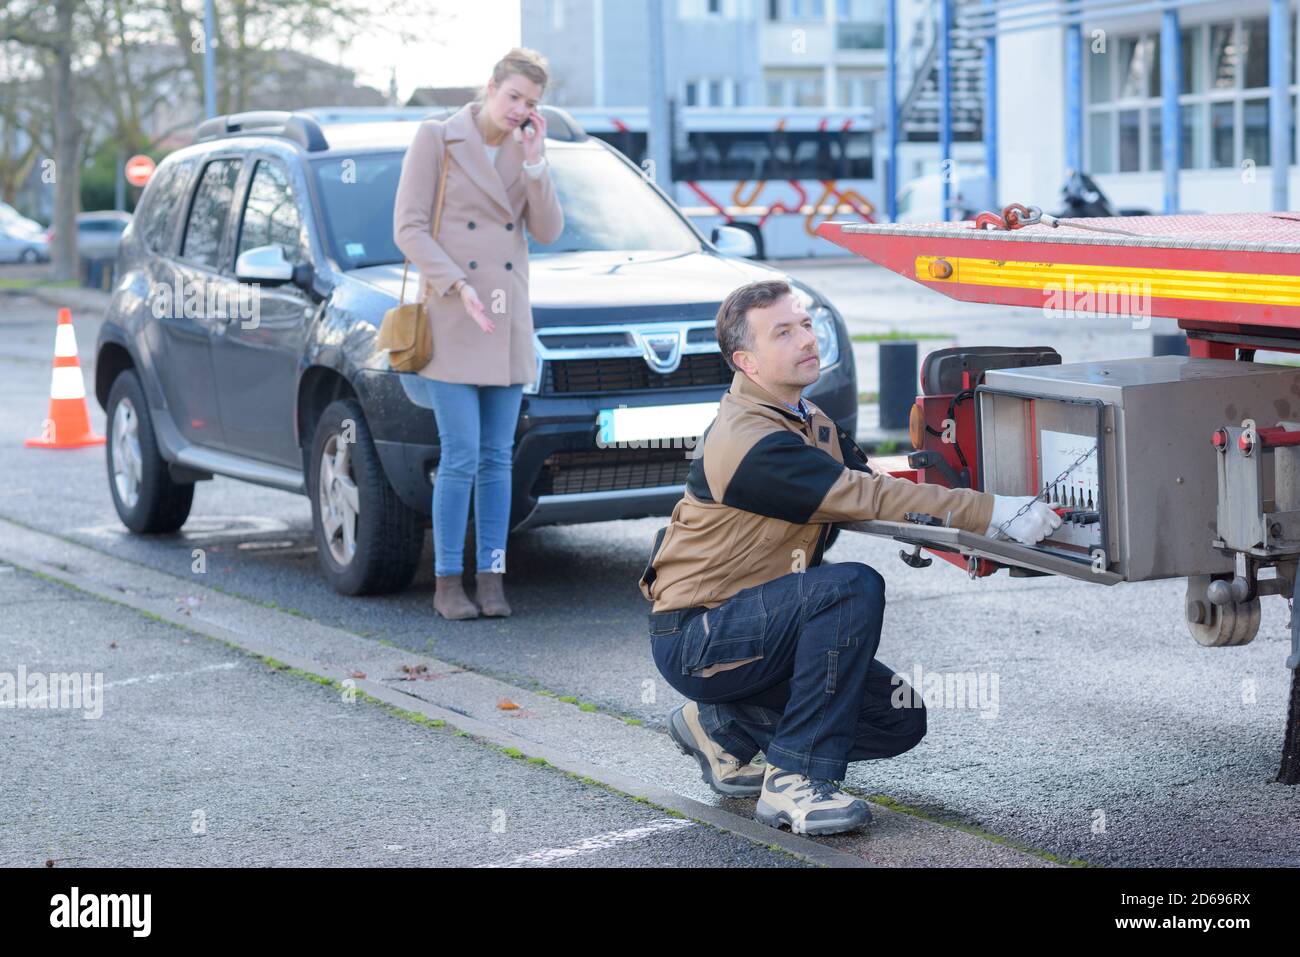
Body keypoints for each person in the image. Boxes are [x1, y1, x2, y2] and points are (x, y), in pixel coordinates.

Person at [639, 278, 1060, 835]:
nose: (806, 339)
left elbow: (868, 483)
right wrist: (991, 511)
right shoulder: (752, 442)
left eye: (806, 324)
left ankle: (722, 728)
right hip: (701, 636)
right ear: (747, 361)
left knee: (897, 717)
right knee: (849, 587)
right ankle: (793, 781)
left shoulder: (804, 418)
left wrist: (940, 519)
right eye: (782, 332)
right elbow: (863, 495)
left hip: (762, 628)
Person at [393, 47, 563, 620]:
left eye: (531, 103)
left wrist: (537, 164)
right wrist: (453, 283)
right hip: (452, 315)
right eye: (513, 96)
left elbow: (549, 230)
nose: (520, 110)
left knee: (498, 458)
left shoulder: (526, 150)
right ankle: (446, 582)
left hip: (507, 320)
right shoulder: (438, 138)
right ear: (490, 87)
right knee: (461, 455)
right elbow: (409, 227)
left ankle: (491, 576)